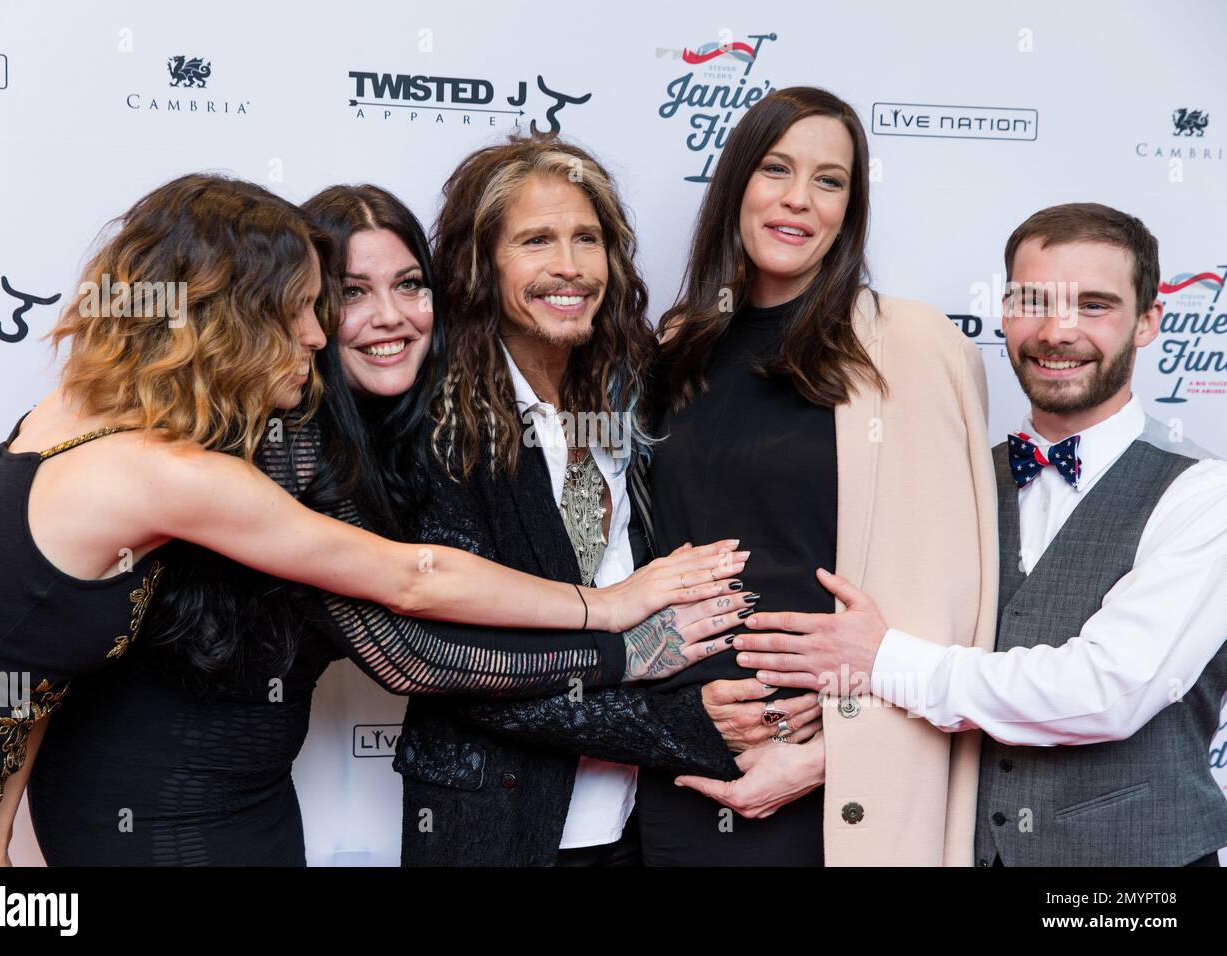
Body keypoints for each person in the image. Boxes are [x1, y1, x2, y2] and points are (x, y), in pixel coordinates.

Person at [0, 173, 740, 867]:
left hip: (220, 796)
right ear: (232, 313)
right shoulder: (192, 467)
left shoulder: (101, 421)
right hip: (150, 803)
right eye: (324, 301)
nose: (324, 332)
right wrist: (615, 625)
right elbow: (409, 610)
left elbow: (27, 665)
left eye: (408, 285)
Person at [731, 203, 1227, 867]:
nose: (1057, 331)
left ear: (1147, 323)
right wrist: (811, 752)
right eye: (1033, 301)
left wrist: (885, 659)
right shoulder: (957, 480)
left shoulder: (1203, 495)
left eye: (1095, 305)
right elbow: (886, 665)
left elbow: (1107, 692)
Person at [390, 135, 788, 867]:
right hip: (496, 827)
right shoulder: (436, 422)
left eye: (588, 238)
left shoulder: (631, 392)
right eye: (536, 240)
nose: (569, 267)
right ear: (482, 262)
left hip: (649, 822)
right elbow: (465, 667)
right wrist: (675, 722)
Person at [642, 86, 999, 866]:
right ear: (736, 182)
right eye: (776, 169)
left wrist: (834, 752)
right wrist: (679, 715)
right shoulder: (677, 347)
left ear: (851, 207)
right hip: (683, 755)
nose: (798, 200)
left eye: (830, 180)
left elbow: (950, 610)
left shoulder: (907, 345)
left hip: (834, 789)